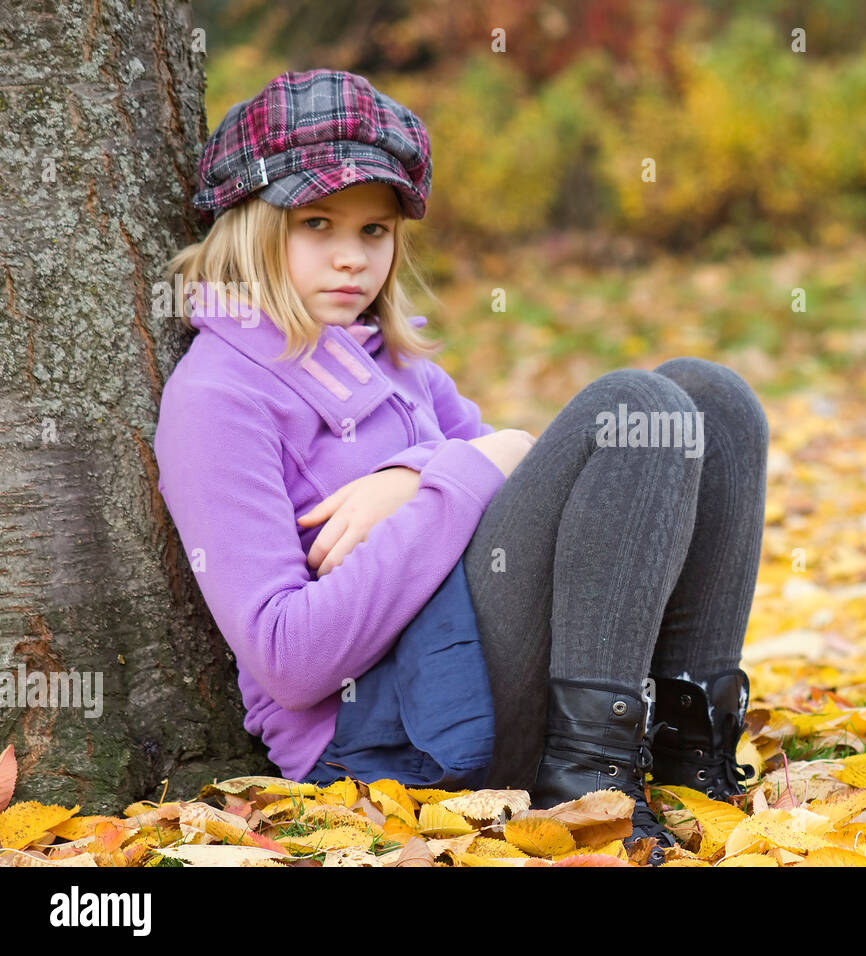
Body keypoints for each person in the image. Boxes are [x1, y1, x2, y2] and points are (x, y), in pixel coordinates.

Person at [154, 69, 767, 865]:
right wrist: (467, 465)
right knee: (638, 408)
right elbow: (287, 658)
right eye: (317, 224)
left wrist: (419, 471)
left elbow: (510, 496)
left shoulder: (398, 366)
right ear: (247, 224)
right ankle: (589, 789)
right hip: (384, 740)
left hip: (481, 678)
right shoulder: (218, 394)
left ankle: (689, 757)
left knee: (710, 397)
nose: (351, 259)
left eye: (374, 232)